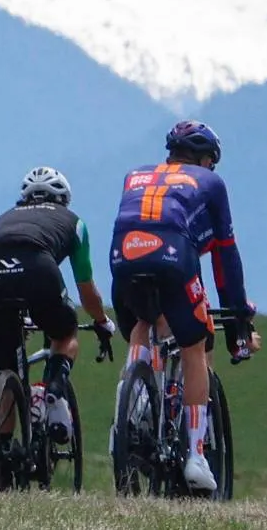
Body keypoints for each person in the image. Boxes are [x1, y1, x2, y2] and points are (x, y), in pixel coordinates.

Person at [109, 121, 255, 494]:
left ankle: (127, 413)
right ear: (207, 160)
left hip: (123, 256)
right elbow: (225, 255)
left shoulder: (136, 175)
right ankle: (195, 454)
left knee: (144, 319)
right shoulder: (210, 183)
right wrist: (237, 310)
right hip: (172, 256)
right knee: (194, 345)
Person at [0, 165, 109, 448]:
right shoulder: (73, 221)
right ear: (64, 199)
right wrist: (101, 321)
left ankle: (3, 454)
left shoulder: (3, 218)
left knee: (7, 369)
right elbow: (85, 285)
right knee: (65, 333)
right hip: (37, 269)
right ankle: (56, 388)